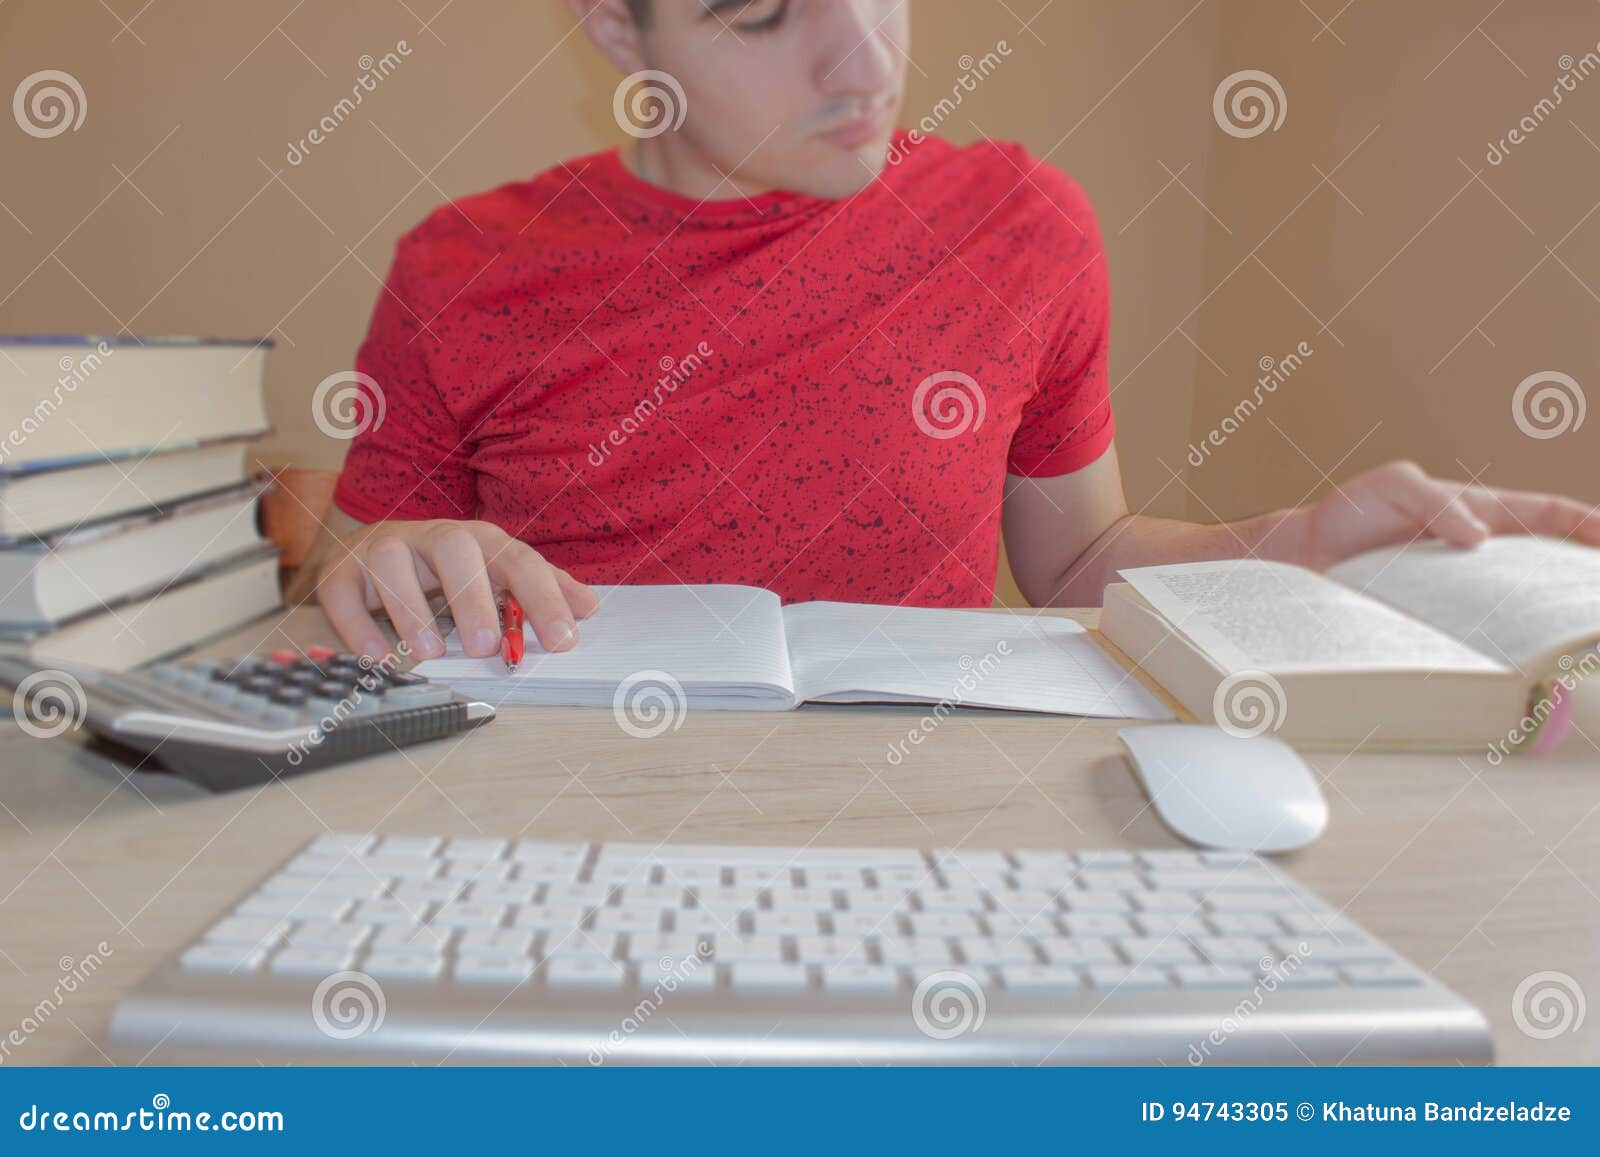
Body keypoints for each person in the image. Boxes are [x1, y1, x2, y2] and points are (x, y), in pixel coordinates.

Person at [300, 0, 1600, 663]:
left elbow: (1079, 558)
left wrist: (1303, 543)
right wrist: (383, 561)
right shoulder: (461, 269)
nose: (861, 62)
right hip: (564, 832)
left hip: (925, 832)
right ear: (610, 22)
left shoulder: (1021, 226)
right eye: (760, 13)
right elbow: (360, 573)